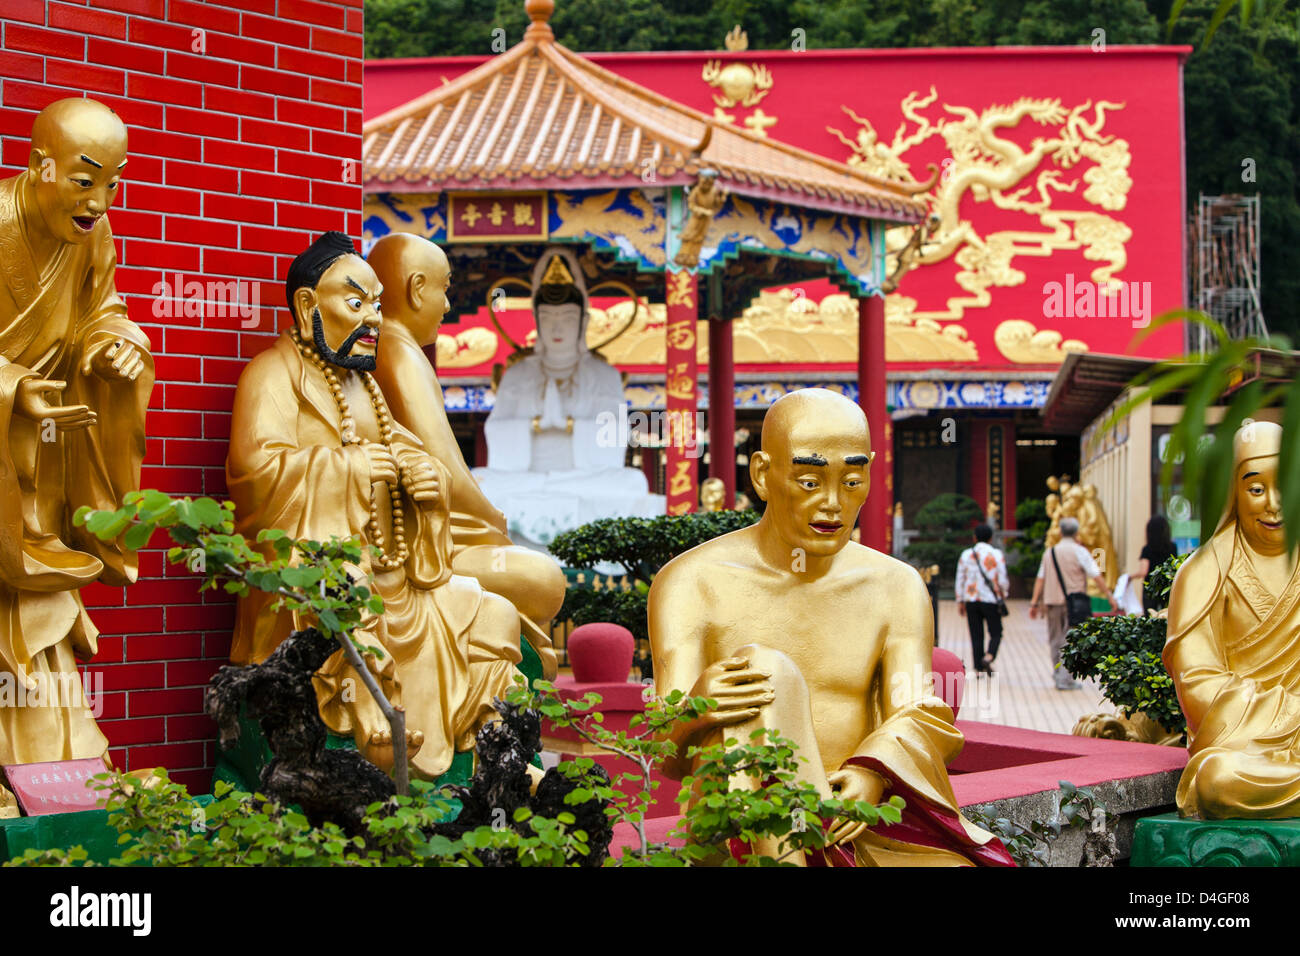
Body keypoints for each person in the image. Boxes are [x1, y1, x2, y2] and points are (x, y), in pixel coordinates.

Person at [648, 388, 1013, 866]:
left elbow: (918, 712)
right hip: (742, 830)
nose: (833, 505)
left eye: (853, 480)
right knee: (765, 670)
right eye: (808, 480)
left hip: (857, 823)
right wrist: (697, 709)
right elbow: (661, 749)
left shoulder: (895, 586)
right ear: (762, 474)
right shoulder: (692, 583)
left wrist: (874, 774)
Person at [226, 231, 523, 780]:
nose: (373, 321)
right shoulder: (274, 374)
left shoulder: (363, 385)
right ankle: (376, 733)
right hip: (319, 569)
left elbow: (403, 448)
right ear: (308, 305)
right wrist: (353, 469)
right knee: (352, 612)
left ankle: (491, 752)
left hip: (393, 571)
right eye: (356, 303)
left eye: (379, 305)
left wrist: (425, 483)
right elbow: (254, 477)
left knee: (493, 613)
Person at [0, 99, 154, 784]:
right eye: (85, 180)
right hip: (11, 441)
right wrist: (9, 389)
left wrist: (114, 351)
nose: (99, 201)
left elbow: (104, 311)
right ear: (40, 167)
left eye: (113, 183)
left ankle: (56, 767)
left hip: (42, 461)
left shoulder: (93, 236)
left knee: (45, 599)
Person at [368, 232, 565, 678]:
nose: (449, 306)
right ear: (418, 288)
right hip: (420, 543)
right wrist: (491, 516)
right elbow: (445, 470)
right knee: (544, 579)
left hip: (429, 530)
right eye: (445, 289)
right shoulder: (399, 355)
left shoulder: (391, 352)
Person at [471, 246, 661, 544]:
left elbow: (614, 436)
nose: (557, 327)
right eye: (548, 318)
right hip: (526, 479)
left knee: (632, 482)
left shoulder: (603, 374)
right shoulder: (518, 374)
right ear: (536, 321)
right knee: (479, 481)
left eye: (568, 318)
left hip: (584, 479)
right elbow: (496, 429)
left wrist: (570, 425)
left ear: (583, 322)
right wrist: (535, 425)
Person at [1165, 421, 1300, 818]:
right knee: (1216, 779)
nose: (1273, 502)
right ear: (1233, 493)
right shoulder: (1204, 572)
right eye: (1256, 489)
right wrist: (1292, 713)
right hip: (1246, 747)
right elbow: (1197, 686)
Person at [1029, 516, 1118, 690]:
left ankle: (1058, 674)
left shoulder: (1049, 552)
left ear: (1061, 532)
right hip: (1075, 603)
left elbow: (1040, 579)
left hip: (1052, 601)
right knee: (1070, 640)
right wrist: (1109, 595)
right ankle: (1064, 678)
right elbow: (1095, 574)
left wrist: (1034, 603)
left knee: (1055, 639)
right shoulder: (1080, 551)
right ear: (1076, 532)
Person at [954, 524, 1009, 675]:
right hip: (990, 599)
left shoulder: (966, 555)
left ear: (975, 537)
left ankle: (978, 668)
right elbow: (1003, 578)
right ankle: (989, 655)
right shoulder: (996, 554)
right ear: (991, 538)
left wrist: (960, 600)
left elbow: (960, 578)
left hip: (971, 599)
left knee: (976, 634)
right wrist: (1003, 594)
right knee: (996, 631)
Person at [1133, 514, 1177, 612]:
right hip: (1167, 587)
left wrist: (1130, 577)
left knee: (1150, 619)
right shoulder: (1173, 547)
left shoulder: (1147, 549)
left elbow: (1143, 571)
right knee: (1167, 616)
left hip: (1150, 589)